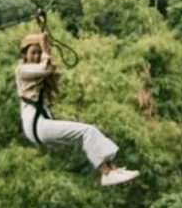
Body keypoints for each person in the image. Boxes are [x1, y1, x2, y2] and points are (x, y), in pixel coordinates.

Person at [15, 32, 140, 186]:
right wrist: (45, 50)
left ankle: (113, 169)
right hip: (37, 126)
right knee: (87, 132)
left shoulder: (37, 71)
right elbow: (45, 69)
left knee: (91, 132)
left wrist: (46, 48)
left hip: (42, 124)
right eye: (33, 53)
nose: (36, 56)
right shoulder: (22, 70)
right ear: (25, 55)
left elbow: (52, 71)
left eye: (38, 52)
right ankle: (105, 173)